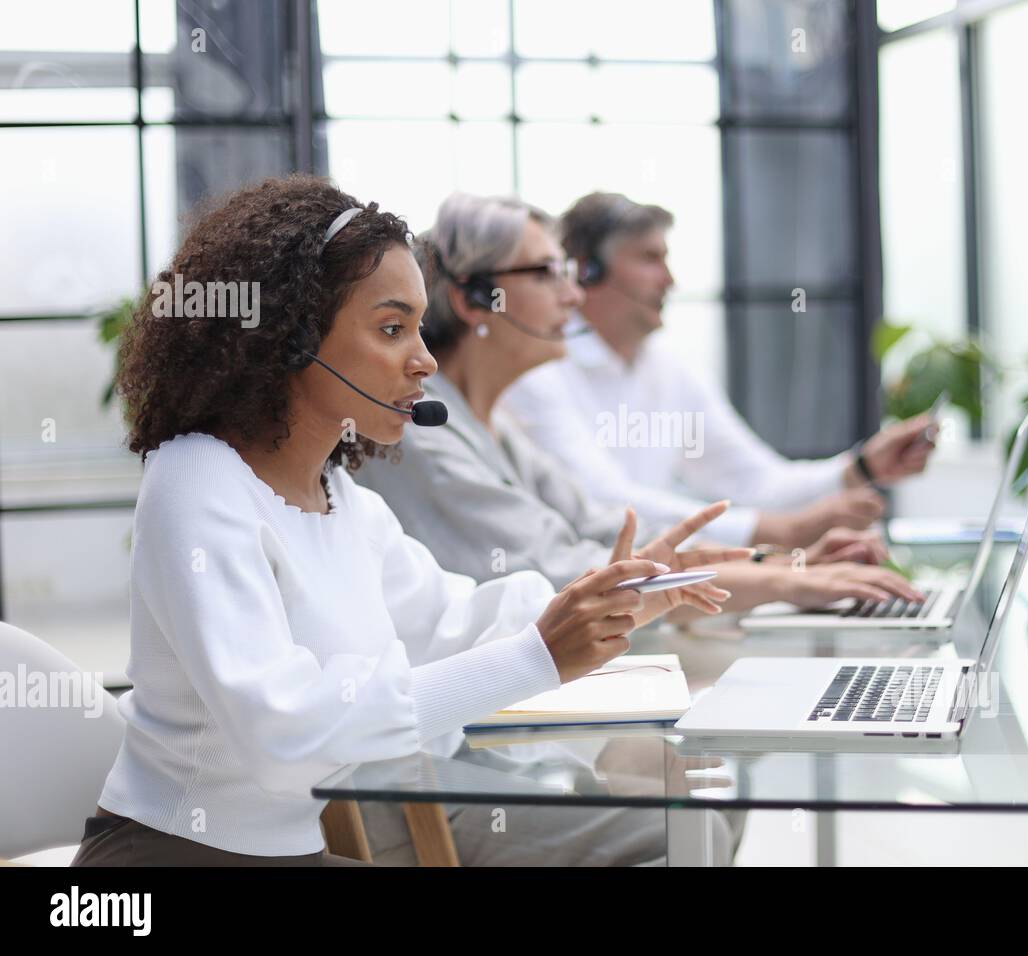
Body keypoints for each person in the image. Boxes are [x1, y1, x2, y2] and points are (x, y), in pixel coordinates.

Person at [71, 175, 733, 867]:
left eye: (418, 327)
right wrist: (535, 656)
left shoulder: (343, 499)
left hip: (294, 857)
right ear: (293, 338)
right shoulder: (197, 479)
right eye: (392, 329)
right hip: (167, 857)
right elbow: (282, 735)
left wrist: (612, 601)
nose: (424, 360)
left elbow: (452, 624)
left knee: (688, 833)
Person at [353, 192, 925, 615]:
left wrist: (775, 562)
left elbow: (604, 528)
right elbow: (564, 569)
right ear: (474, 298)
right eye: (549, 275)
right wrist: (782, 579)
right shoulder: (423, 429)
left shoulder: (490, 422)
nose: (572, 295)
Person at [500, 191, 938, 549]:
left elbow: (755, 481)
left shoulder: (670, 368)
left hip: (651, 592)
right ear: (587, 271)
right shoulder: (537, 367)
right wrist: (778, 532)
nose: (670, 280)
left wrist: (862, 467)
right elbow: (602, 500)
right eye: (650, 259)